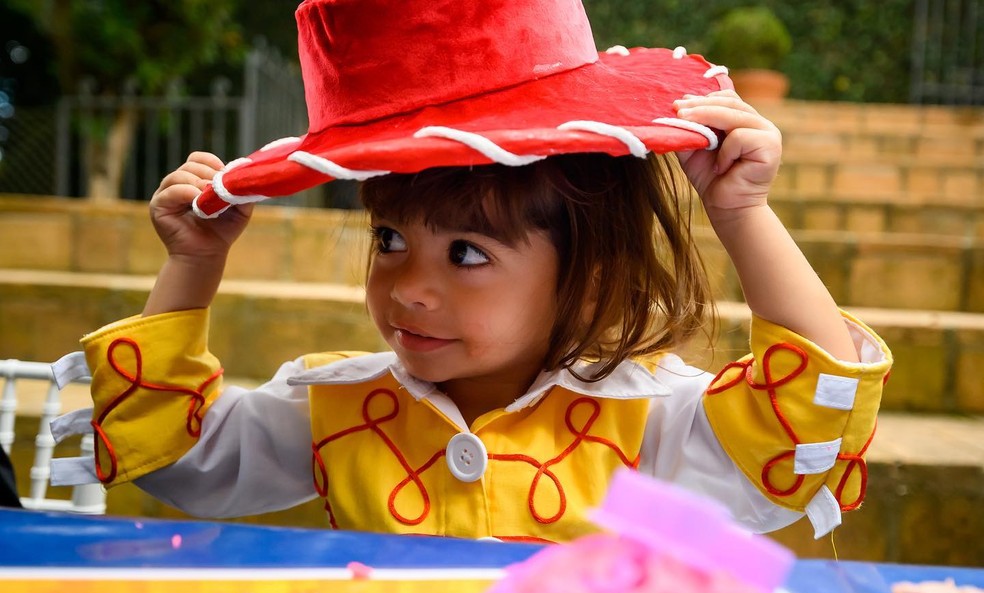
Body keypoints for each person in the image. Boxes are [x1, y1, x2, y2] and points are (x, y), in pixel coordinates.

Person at [50, 0, 891, 543]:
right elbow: (175, 457)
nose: (408, 288)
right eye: (388, 240)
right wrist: (194, 266)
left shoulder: (646, 426)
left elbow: (805, 430)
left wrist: (742, 214)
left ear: (587, 274)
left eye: (467, 253)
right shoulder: (335, 409)